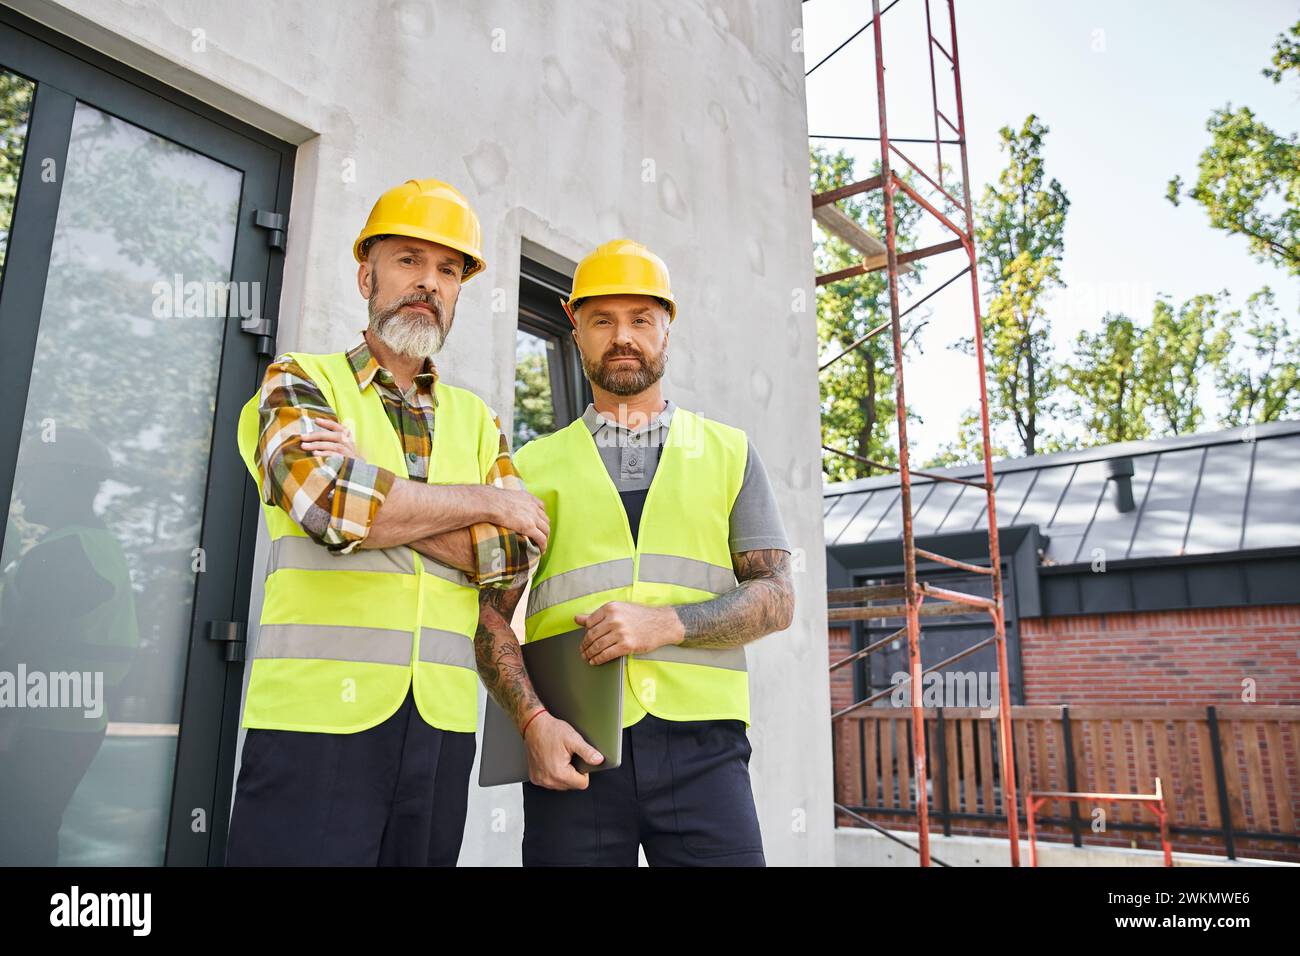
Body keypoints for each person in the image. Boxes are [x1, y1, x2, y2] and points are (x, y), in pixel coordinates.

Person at [223, 178, 548, 866]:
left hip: (441, 728)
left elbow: (514, 559)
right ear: (366, 272)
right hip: (313, 722)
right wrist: (487, 501)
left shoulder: (478, 419)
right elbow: (326, 505)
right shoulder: (297, 380)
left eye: (448, 269)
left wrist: (374, 496)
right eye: (408, 260)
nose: (428, 282)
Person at [483, 239, 796, 866]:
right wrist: (532, 725)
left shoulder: (730, 452)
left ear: (666, 329)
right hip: (576, 746)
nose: (622, 336)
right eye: (602, 320)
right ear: (575, 332)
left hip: (705, 751)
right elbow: (491, 617)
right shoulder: (526, 467)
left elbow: (778, 597)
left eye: (640, 319)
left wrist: (668, 624)